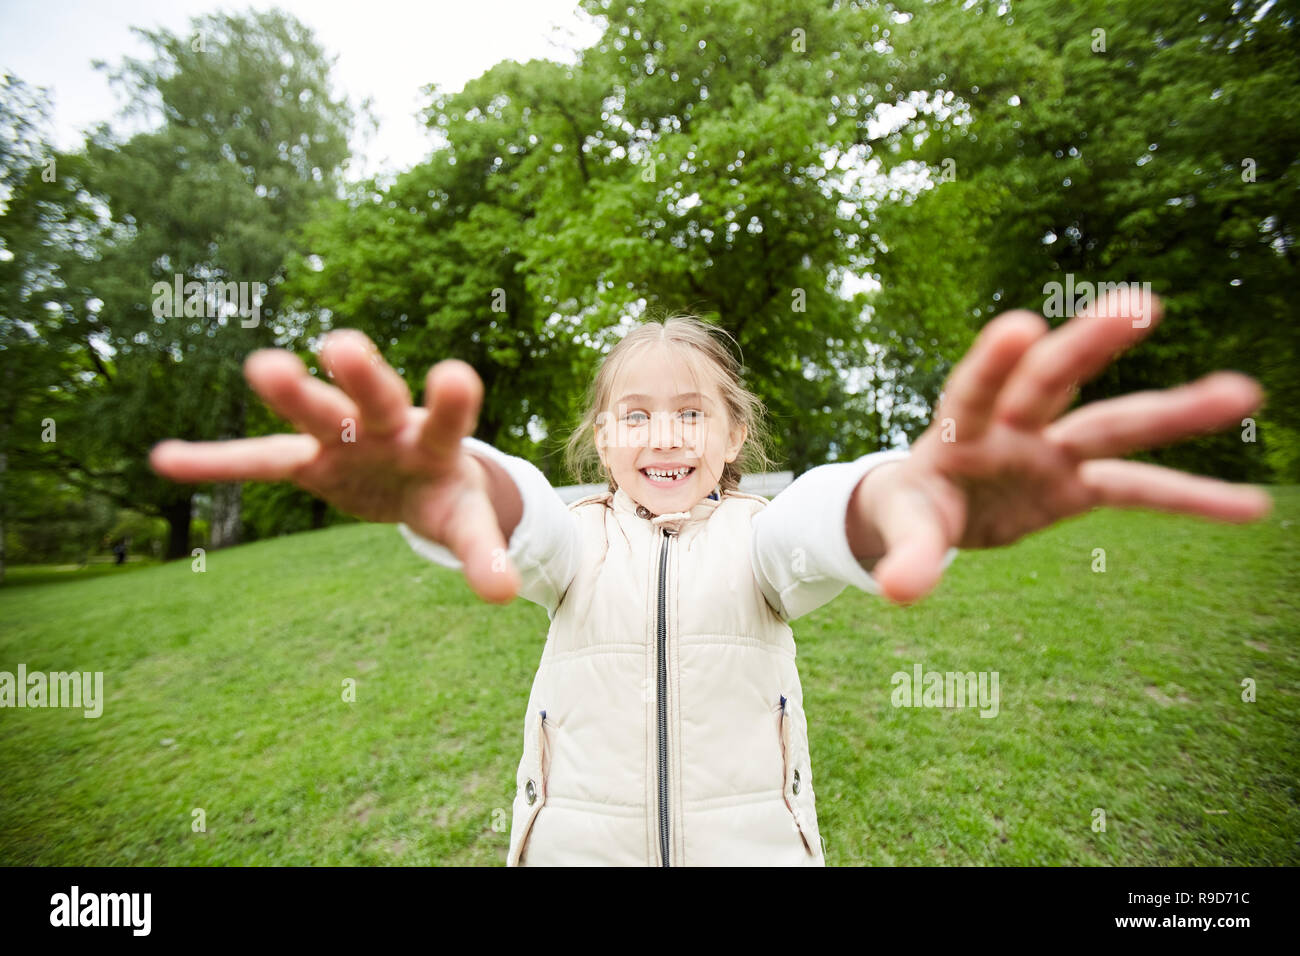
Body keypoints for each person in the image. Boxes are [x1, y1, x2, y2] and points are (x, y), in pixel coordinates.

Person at [148, 288, 1272, 865]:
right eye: (634, 414)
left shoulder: (759, 532)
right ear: (601, 438)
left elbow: (821, 526)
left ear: (734, 436)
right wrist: (462, 490)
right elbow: (523, 522)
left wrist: (901, 494)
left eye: (693, 411)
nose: (664, 433)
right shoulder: (580, 534)